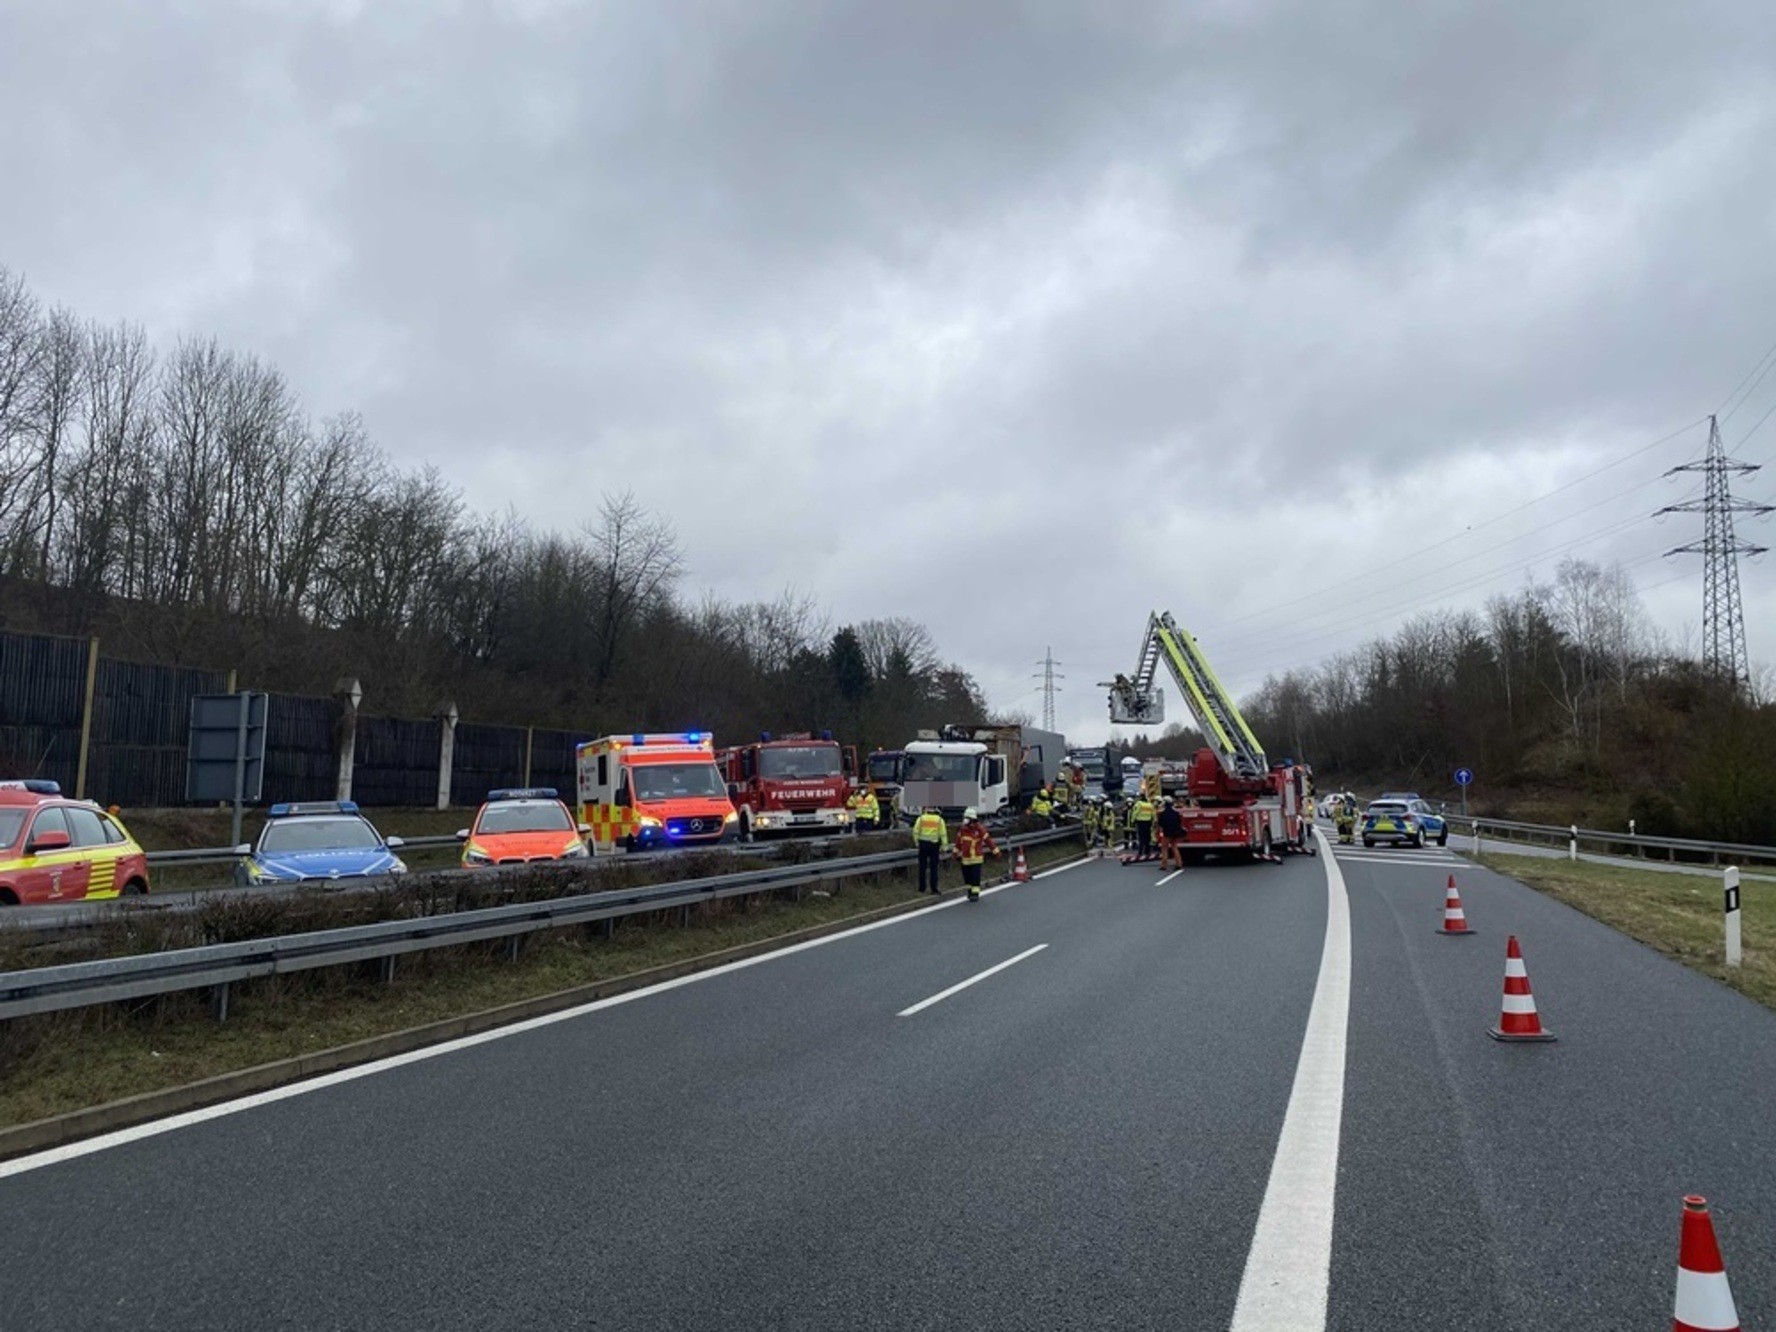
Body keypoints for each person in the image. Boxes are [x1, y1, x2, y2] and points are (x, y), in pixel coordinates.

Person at [954, 807, 1000, 901]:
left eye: (966, 818)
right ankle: (970, 891)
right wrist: (955, 853)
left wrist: (996, 852)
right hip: (965, 858)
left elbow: (988, 841)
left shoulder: (979, 829)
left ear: (972, 819)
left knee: (975, 876)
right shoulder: (962, 830)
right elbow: (958, 843)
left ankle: (975, 894)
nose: (964, 820)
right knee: (967, 877)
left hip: (976, 858)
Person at [912, 804, 949, 893]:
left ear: (926, 809)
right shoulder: (939, 820)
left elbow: (915, 831)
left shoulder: (921, 819)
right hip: (934, 845)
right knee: (934, 868)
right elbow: (943, 834)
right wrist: (944, 847)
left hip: (923, 845)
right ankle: (934, 888)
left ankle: (922, 888)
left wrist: (917, 843)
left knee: (922, 867)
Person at [1157, 796, 1185, 870]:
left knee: (1164, 848)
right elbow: (1179, 822)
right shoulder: (1176, 812)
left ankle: (1164, 865)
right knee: (1174, 847)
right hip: (1175, 832)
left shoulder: (1162, 813)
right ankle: (1179, 864)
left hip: (1167, 832)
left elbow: (1160, 823)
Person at [1131, 791, 1156, 861]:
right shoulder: (1149, 804)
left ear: (1140, 797)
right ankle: (1147, 851)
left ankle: (1140, 852)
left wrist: (1132, 820)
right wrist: (1154, 821)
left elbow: (1135, 812)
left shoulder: (1139, 804)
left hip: (1141, 822)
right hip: (1148, 822)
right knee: (1147, 837)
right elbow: (1153, 814)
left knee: (1141, 838)